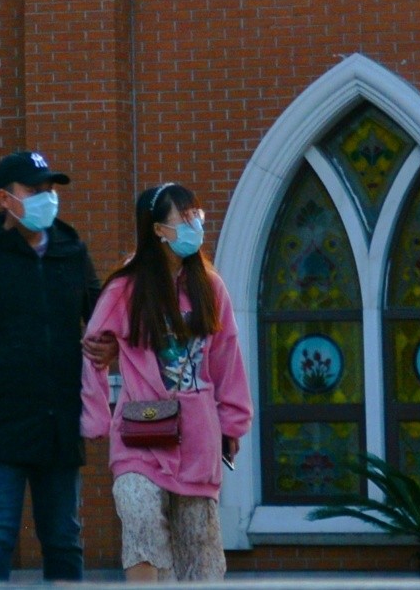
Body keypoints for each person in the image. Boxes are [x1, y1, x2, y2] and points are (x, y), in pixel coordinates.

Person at [82, 183, 253, 584]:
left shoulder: (210, 288)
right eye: (186, 217)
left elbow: (227, 358)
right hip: (140, 436)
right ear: (158, 229)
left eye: (198, 215)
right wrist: (96, 417)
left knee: (198, 552)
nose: (197, 224)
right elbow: (93, 351)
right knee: (139, 520)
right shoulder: (126, 288)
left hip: (197, 439)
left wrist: (232, 423)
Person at [0, 148, 97, 582]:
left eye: (50, 189)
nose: (46, 197)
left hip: (58, 422)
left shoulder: (72, 253)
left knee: (63, 537)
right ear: (5, 199)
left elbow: (103, 316)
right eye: (34, 189)